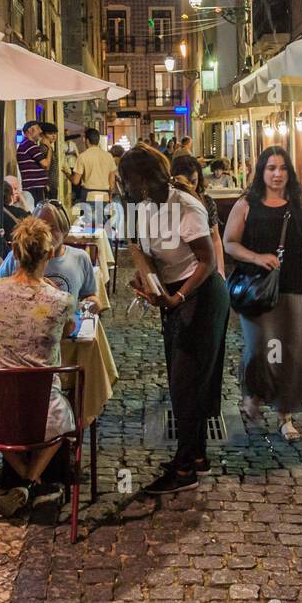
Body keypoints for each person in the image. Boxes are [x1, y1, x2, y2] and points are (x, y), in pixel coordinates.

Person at [119, 143, 230, 494]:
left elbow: (207, 260)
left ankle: (184, 470)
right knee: (183, 381)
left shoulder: (184, 205)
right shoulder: (149, 206)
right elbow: (151, 253)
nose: (127, 188)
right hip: (174, 297)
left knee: (187, 383)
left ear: (145, 179)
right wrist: (144, 277)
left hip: (200, 295)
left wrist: (178, 296)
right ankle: (196, 456)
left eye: (129, 181)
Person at [0, 218, 78, 517]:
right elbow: (68, 332)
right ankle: (33, 482)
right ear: (50, 255)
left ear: (14, 252)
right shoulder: (61, 299)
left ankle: (23, 481)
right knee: (65, 414)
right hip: (45, 409)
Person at [223, 146, 302, 441]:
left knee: (292, 353)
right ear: (262, 171)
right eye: (271, 168)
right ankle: (254, 395)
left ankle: (285, 415)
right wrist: (257, 257)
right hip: (256, 289)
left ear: (289, 171)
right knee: (261, 349)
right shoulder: (247, 204)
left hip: (294, 286)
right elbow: (230, 243)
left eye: (282, 168)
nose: (277, 174)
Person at [0, 199, 100, 326]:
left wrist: (91, 306)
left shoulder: (80, 258)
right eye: (40, 228)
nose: (46, 235)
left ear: (64, 231)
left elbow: (90, 296)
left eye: (52, 228)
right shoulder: (16, 257)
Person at [171, 154, 225, 277]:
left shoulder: (206, 202)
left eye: (193, 182)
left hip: (206, 265)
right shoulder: (170, 203)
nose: (190, 186)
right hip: (181, 269)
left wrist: (221, 270)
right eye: (185, 182)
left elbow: (215, 238)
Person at [71, 126, 118, 228]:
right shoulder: (108, 156)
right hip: (104, 197)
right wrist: (110, 198)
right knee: (105, 229)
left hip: (89, 196)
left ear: (86, 140)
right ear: (98, 140)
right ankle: (106, 244)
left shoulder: (83, 156)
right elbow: (112, 182)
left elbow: (75, 181)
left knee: (90, 230)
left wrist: (67, 174)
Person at [16, 120, 51, 205]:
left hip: (34, 187)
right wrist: (49, 148)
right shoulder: (30, 145)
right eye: (38, 128)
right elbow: (46, 164)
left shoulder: (27, 144)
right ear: (30, 130)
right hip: (35, 188)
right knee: (38, 214)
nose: (41, 131)